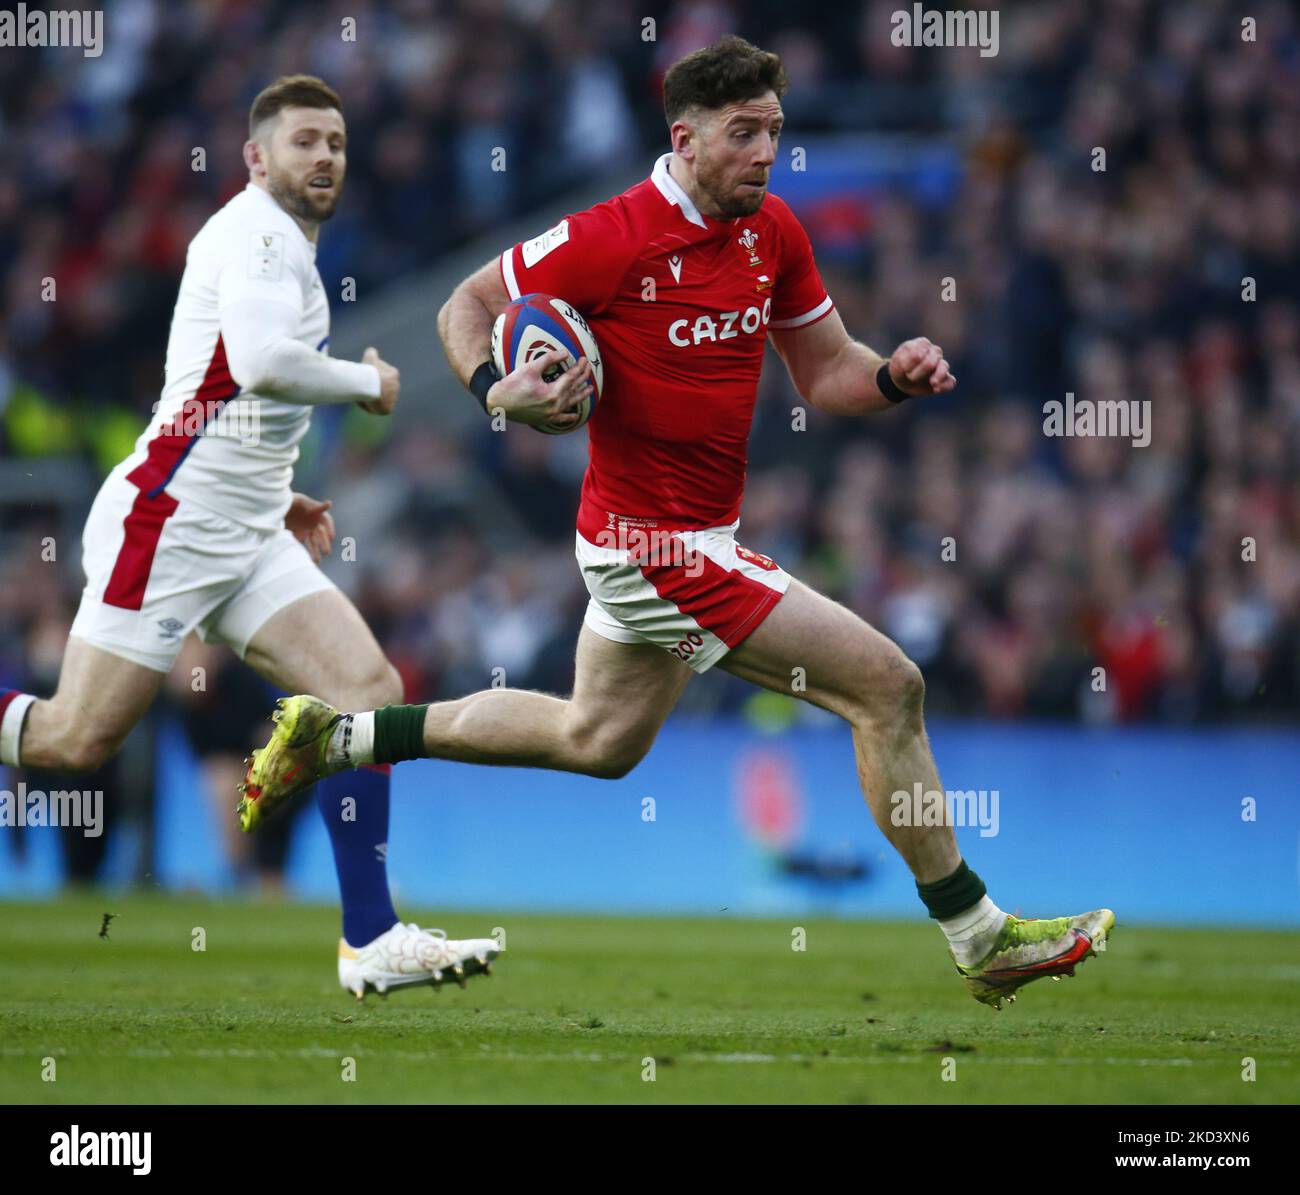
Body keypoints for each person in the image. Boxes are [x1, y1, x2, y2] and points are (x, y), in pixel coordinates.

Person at [238, 43, 1111, 1010]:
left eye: (775, 130)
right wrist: (498, 391)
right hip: (653, 550)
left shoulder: (773, 232)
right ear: (685, 139)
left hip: (691, 538)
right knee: (887, 686)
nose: (766, 151)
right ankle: (979, 934)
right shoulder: (613, 237)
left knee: (595, 739)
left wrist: (892, 377)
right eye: (745, 133)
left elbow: (826, 371)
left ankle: (340, 735)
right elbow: (468, 301)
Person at [0, 75, 498, 1000]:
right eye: (304, 140)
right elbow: (266, 364)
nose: (325, 157)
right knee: (72, 742)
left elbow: (222, 390)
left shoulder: (271, 245)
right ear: (256, 157)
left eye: (337, 143)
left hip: (241, 522)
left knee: (367, 689)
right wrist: (369, 383)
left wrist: (280, 496)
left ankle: (371, 935)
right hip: (172, 521)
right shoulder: (261, 232)